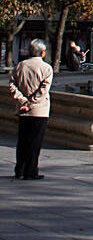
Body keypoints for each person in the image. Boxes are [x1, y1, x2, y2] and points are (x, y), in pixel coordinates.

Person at [9, 39, 53, 180]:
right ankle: (31, 170)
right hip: (39, 111)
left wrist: (22, 100)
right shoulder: (47, 68)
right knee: (35, 142)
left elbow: (12, 85)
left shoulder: (20, 66)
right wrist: (32, 103)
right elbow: (43, 90)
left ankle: (19, 169)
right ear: (42, 52)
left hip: (22, 110)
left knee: (22, 141)